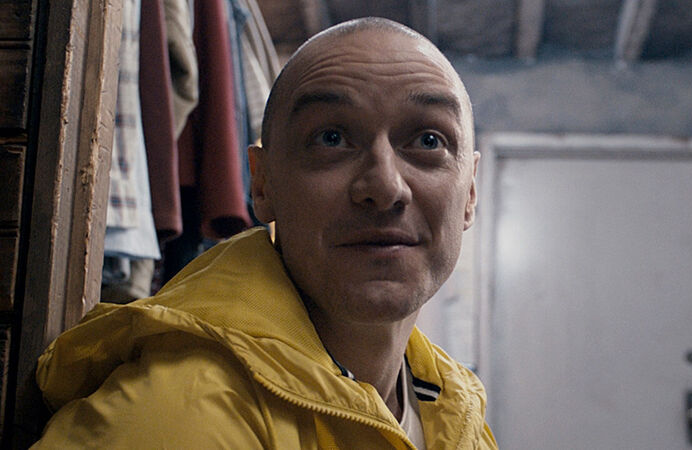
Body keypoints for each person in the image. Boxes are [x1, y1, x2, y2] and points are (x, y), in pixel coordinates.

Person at [33, 17, 496, 449]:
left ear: (470, 191)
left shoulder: (451, 407)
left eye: (429, 141)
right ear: (262, 183)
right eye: (331, 138)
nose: (384, 187)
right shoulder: (173, 416)